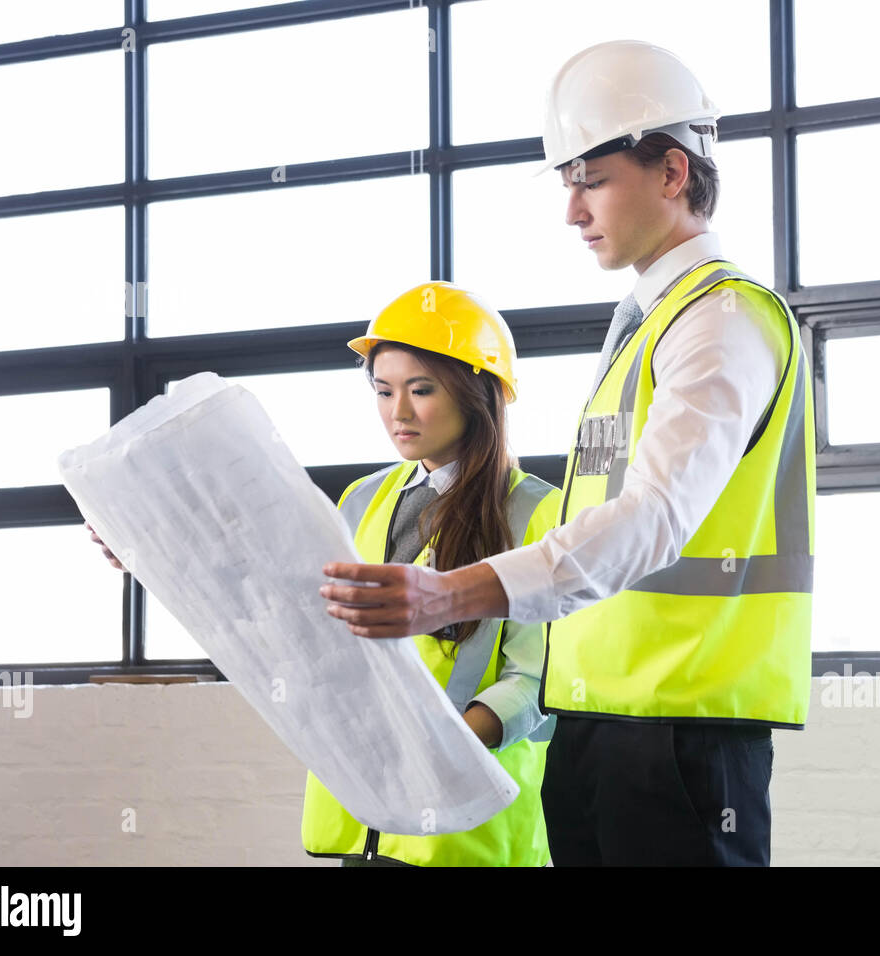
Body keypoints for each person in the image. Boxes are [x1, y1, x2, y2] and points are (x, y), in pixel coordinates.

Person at [319, 40, 814, 867]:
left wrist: (450, 596)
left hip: (680, 731)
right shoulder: (649, 326)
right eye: (567, 185)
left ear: (672, 173)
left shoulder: (722, 322)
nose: (573, 211)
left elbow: (655, 519)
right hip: (600, 722)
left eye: (591, 180)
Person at [94, 281, 561, 867]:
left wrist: (449, 748)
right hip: (366, 812)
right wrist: (152, 555)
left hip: (468, 827)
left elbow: (542, 677)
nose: (400, 412)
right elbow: (292, 610)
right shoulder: (364, 498)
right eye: (384, 390)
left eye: (422, 390)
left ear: (477, 394)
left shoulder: (540, 512)